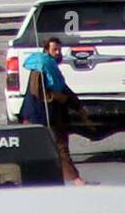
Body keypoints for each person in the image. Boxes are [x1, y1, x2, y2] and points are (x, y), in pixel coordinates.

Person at [20, 38, 90, 184]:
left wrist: (78, 107)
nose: (58, 53)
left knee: (59, 147)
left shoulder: (51, 67)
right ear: (46, 50)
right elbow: (37, 91)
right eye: (54, 50)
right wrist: (56, 96)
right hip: (39, 116)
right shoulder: (40, 67)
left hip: (54, 115)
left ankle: (61, 180)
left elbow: (64, 89)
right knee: (57, 148)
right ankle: (76, 180)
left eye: (59, 50)